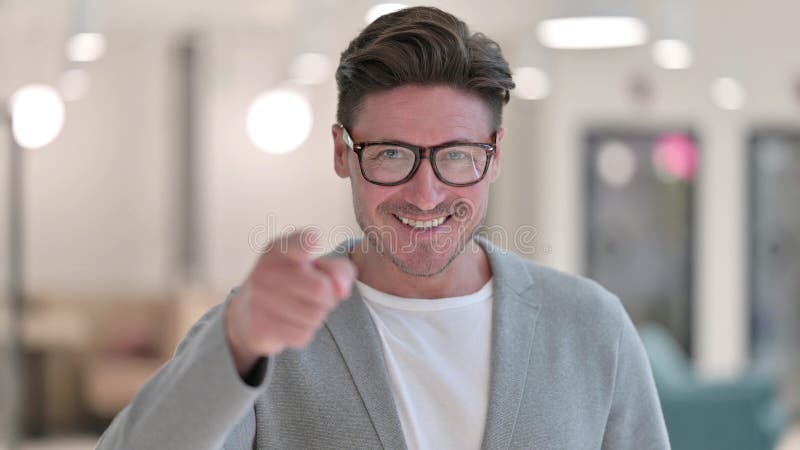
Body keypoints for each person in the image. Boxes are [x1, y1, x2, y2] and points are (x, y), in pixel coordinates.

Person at [97, 6, 670, 450]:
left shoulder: (591, 329)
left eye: (457, 154)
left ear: (493, 155)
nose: (426, 194)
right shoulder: (265, 332)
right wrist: (234, 346)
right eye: (392, 154)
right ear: (343, 153)